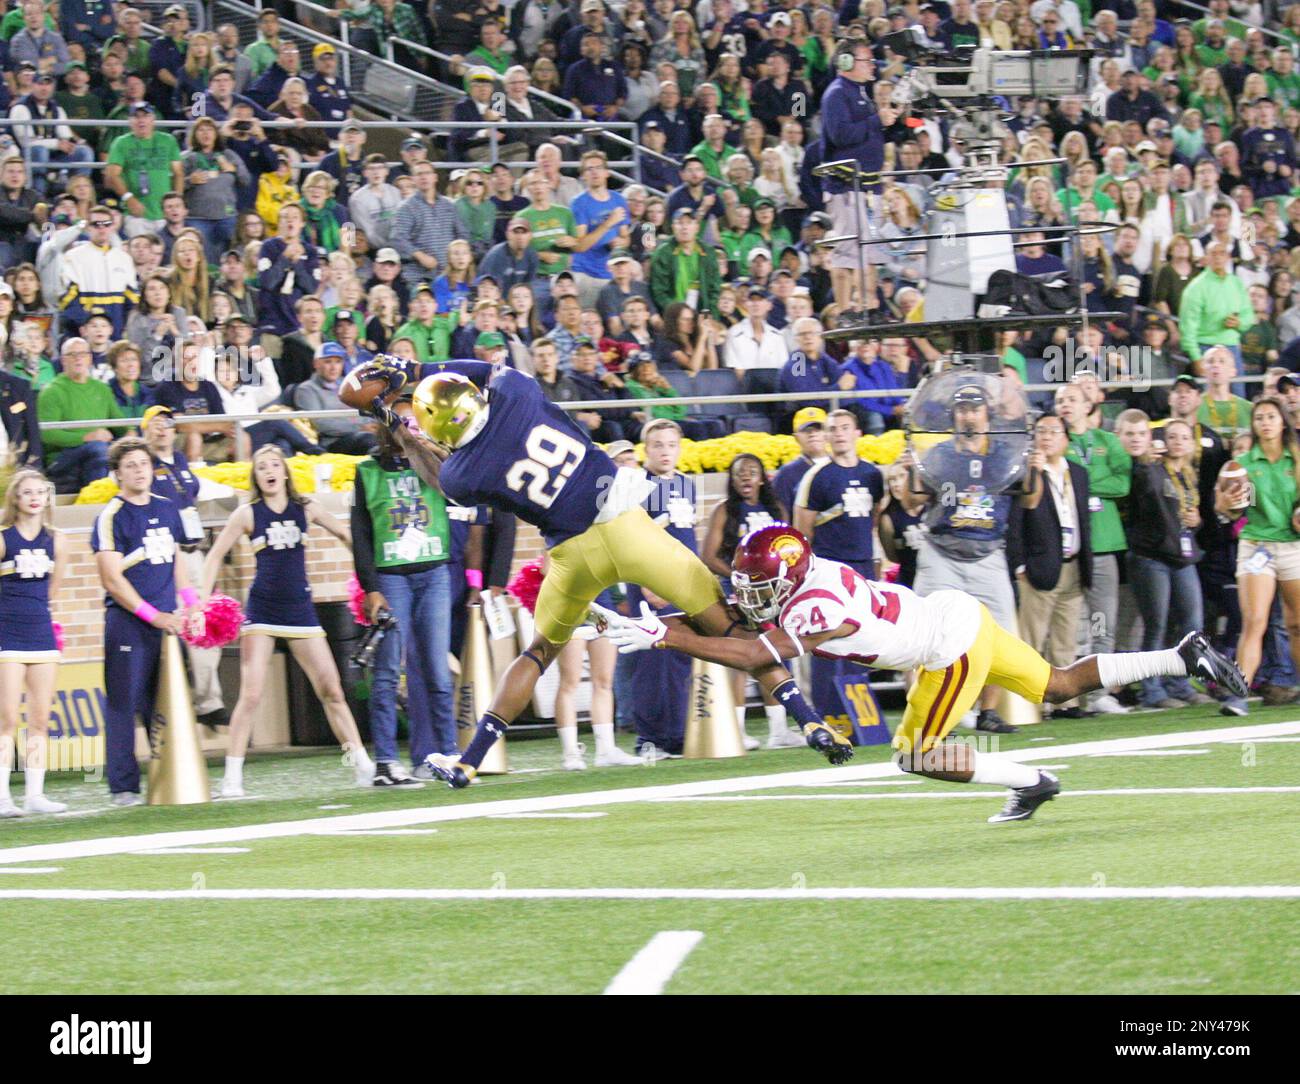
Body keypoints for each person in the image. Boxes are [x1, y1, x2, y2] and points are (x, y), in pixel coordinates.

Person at [345, 356, 832, 788]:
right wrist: (415, 371)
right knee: (729, 628)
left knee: (538, 653)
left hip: (573, 554)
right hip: (626, 528)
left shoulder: (462, 474)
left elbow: (438, 473)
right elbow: (487, 370)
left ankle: (471, 761)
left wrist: (397, 424)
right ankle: (808, 720)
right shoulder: (516, 393)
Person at [604, 524, 1248, 823]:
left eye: (760, 585)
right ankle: (1181, 654)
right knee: (1056, 684)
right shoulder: (810, 583)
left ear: (789, 580)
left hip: (945, 647)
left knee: (914, 754)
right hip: (954, 616)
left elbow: (755, 656)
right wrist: (675, 622)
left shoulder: (815, 603)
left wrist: (667, 635)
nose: (749, 596)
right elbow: (751, 635)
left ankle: (1033, 781)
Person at [201, 445, 373, 797]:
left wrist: (372, 576)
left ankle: (360, 763)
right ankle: (232, 776)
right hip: (262, 612)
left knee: (332, 690)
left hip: (301, 611)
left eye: (274, 465)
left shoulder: (305, 508)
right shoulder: (247, 514)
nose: (268, 471)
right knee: (250, 695)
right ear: (256, 476)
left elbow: (345, 535)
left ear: (284, 471)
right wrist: (202, 601)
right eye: (261, 466)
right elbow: (215, 555)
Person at [91, 436, 202, 805]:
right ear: (117, 474)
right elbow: (112, 579)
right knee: (124, 703)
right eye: (130, 466)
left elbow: (177, 564)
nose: (139, 471)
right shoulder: (111, 516)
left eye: (143, 464)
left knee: (166, 702)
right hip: (130, 623)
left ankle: (168, 778)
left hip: (168, 624)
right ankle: (123, 786)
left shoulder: (169, 508)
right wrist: (153, 616)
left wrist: (190, 604)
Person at [352, 410, 455, 784]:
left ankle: (449, 753)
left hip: (434, 572)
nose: (406, 429)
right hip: (391, 576)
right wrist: (371, 588)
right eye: (399, 423)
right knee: (387, 671)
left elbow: (458, 482)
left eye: (412, 423)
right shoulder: (367, 471)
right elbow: (360, 534)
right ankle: (386, 761)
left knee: (438, 670)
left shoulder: (430, 461)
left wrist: (427, 446)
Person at [1120, 412, 1214, 710]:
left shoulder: (1189, 476)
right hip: (1151, 558)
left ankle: (1180, 684)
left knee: (1191, 624)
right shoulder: (1150, 470)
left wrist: (1197, 521)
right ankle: (1152, 691)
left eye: (1184, 437)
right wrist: (1147, 460)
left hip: (1182, 557)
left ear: (1191, 444)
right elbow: (1144, 500)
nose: (1177, 442)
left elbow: (1184, 520)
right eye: (1172, 436)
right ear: (1163, 440)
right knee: (1156, 625)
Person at [1215, 397, 1300, 718]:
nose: (1265, 422)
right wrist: (1226, 504)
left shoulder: (1297, 460)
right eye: (1260, 417)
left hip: (1294, 546)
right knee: (1255, 622)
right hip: (1258, 547)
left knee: (1296, 624)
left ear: (1283, 422)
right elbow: (1225, 509)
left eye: (1271, 416)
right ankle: (1238, 693)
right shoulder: (1242, 464)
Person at [1054, 381, 1133, 715]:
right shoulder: (1054, 443)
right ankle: (1061, 696)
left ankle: (1099, 694)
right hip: (1066, 547)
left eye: (1071, 399)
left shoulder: (1109, 441)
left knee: (1103, 620)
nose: (1064, 405)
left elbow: (1122, 483)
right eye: (1059, 400)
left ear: (1088, 405)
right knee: (1065, 625)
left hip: (1102, 543)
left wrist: (1080, 481)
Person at [0, 469, 67, 816]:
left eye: (40, 491)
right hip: (6, 633)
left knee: (40, 717)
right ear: (16, 498)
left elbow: (53, 588)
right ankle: (1, 797)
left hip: (40, 632)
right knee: (7, 717)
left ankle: (35, 795)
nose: (34, 497)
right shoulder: (3, 538)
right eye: (27, 492)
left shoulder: (56, 540)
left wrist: (38, 611)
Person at [820, 39, 896, 314]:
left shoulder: (862, 94)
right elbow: (840, 134)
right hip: (845, 187)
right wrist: (877, 121)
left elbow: (867, 133)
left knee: (869, 254)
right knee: (846, 252)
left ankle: (867, 307)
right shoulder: (837, 93)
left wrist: (889, 122)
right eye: (866, 60)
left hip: (867, 186)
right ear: (846, 63)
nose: (872, 64)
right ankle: (844, 312)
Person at [36, 337, 127, 492]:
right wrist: (87, 437)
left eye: (83, 354)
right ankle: (98, 501)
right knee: (99, 449)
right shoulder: (52, 391)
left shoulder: (101, 388)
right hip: (61, 458)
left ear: (90, 359)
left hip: (96, 451)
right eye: (72, 354)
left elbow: (120, 423)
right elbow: (47, 434)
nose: (78, 358)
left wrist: (130, 434)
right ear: (63, 360)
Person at [773, 407, 828, 517]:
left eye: (818, 429)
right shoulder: (786, 474)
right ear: (796, 437)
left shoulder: (840, 466)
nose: (812, 434)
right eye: (806, 430)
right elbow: (781, 515)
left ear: (828, 433)